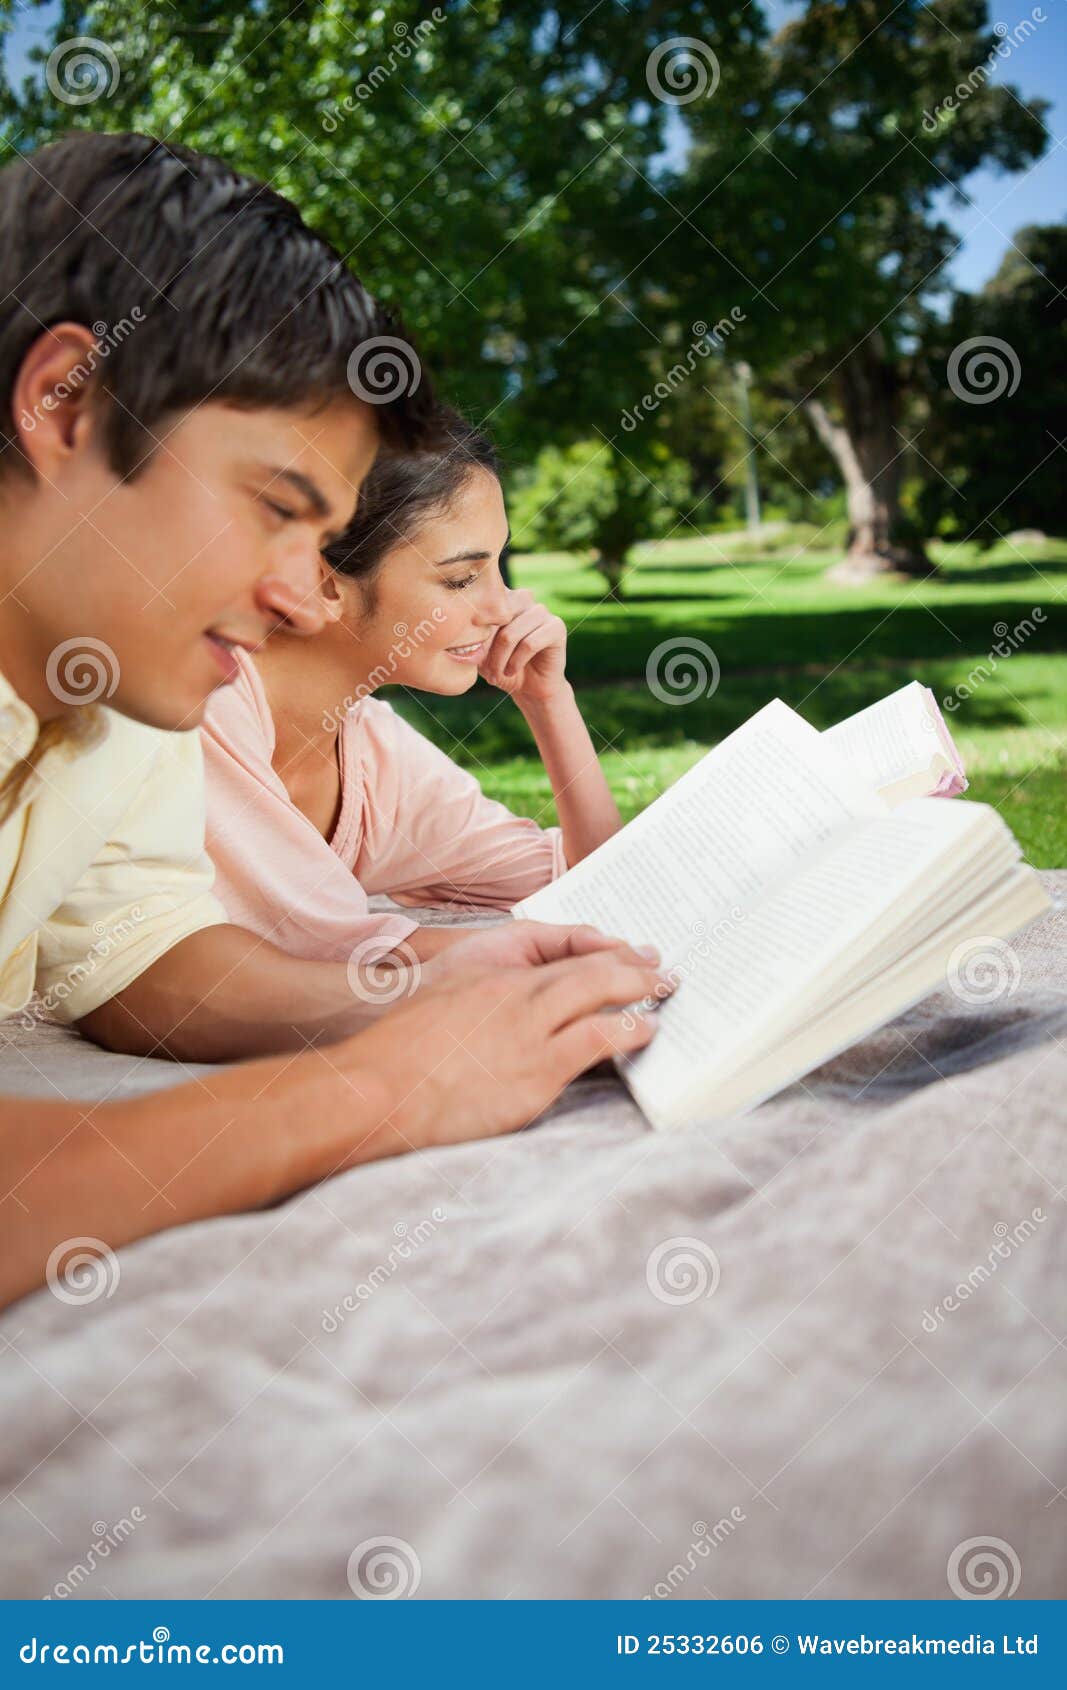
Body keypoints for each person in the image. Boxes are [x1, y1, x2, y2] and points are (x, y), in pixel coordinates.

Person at [0, 133, 667, 1309]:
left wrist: (420, 989)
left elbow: (138, 953)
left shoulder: (128, 699)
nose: (296, 590)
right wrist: (381, 1090)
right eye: (275, 507)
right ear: (65, 399)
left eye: (321, 539)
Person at [200, 418, 623, 964]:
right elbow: (319, 937)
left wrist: (549, 702)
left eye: (497, 565)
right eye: (461, 579)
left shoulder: (375, 762)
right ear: (321, 580)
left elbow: (602, 888)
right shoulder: (209, 699)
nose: (502, 608)